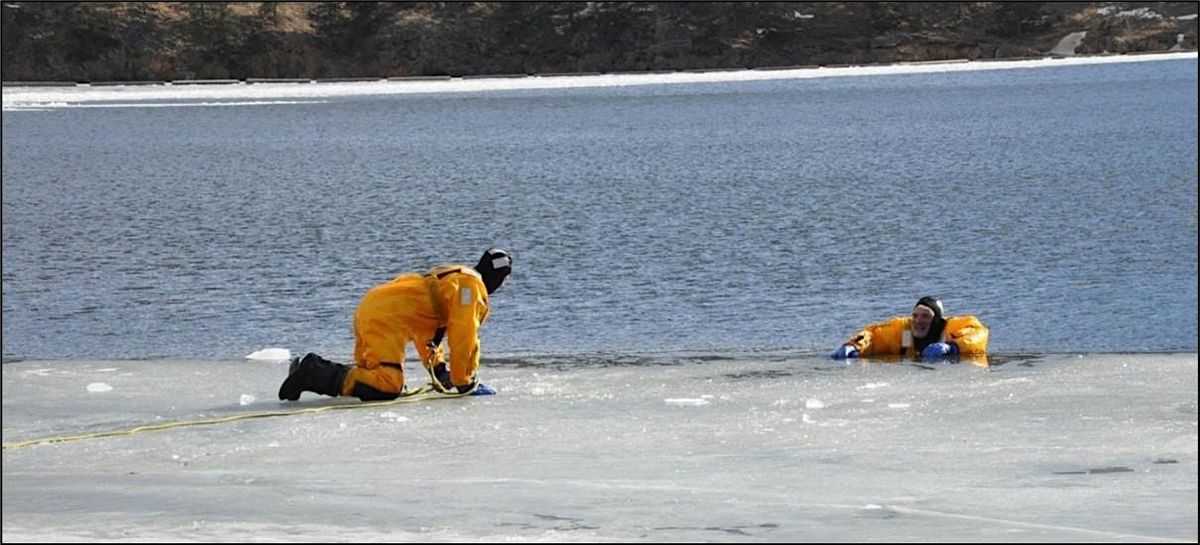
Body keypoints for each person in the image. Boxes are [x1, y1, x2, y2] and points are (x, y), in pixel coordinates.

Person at [279, 248, 512, 401]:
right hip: (385, 319)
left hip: (375, 308)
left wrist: (440, 370)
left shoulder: (457, 278)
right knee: (387, 385)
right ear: (499, 278)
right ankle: (311, 371)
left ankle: (306, 371)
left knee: (370, 377)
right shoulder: (470, 289)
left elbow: (426, 332)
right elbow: (464, 336)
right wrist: (465, 382)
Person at [831, 296, 989, 360]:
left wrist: (952, 347)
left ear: (936, 320)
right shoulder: (903, 329)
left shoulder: (950, 328)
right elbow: (873, 335)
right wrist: (853, 346)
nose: (918, 321)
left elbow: (978, 334)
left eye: (925, 316)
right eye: (915, 315)